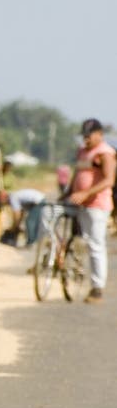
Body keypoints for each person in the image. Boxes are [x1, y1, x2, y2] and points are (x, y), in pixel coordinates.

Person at [68, 118, 116, 303]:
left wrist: (86, 192)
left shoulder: (105, 153)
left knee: (96, 245)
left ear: (99, 135)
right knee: (84, 242)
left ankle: (97, 288)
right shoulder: (82, 151)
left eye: (89, 136)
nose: (86, 139)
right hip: (80, 203)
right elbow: (77, 173)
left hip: (97, 205)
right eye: (84, 136)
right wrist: (69, 192)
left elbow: (109, 180)